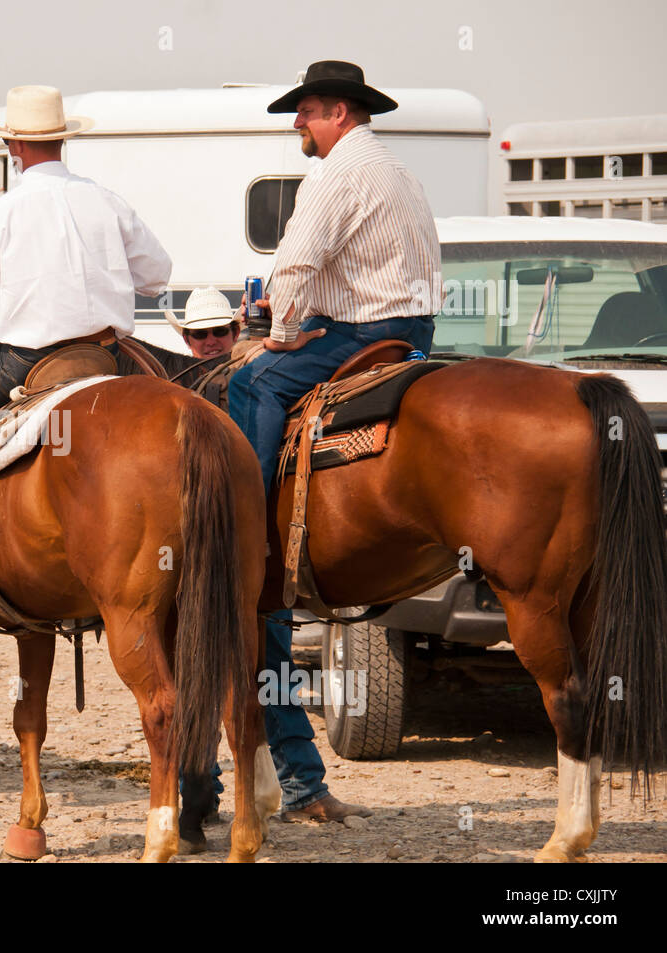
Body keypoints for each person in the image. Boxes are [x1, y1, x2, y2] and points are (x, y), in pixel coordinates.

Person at [222, 60, 441, 823]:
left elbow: (294, 266)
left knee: (256, 383)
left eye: (307, 113)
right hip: (413, 331)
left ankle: (245, 525)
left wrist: (279, 335)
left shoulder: (335, 176)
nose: (298, 127)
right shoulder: (397, 171)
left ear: (339, 113)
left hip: (362, 329)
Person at [0, 85, 172, 598]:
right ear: (61, 142)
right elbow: (157, 274)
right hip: (106, 356)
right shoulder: (105, 200)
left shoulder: (3, 212)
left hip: (27, 362)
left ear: (14, 148)